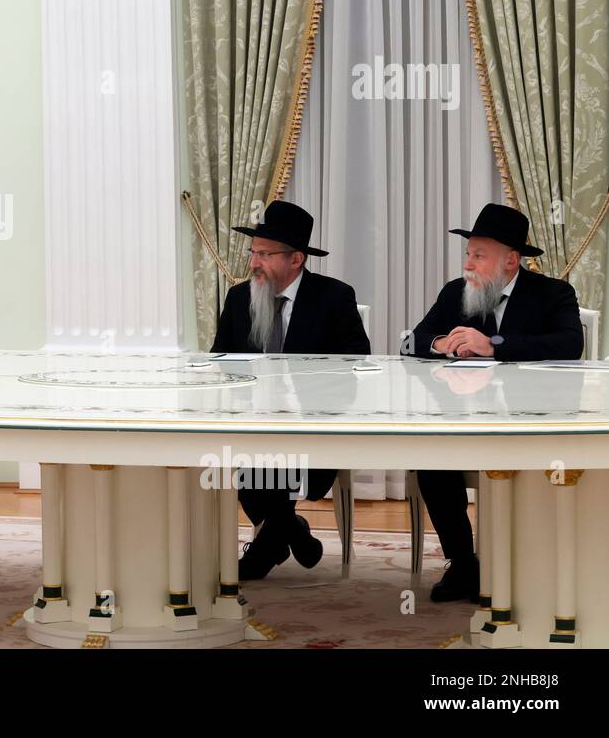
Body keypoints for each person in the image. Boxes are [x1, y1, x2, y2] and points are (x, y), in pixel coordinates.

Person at [406, 203, 583, 602]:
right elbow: (414, 340)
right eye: (468, 253)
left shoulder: (553, 293)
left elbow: (570, 344)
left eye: (478, 255)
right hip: (466, 416)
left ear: (510, 261)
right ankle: (463, 564)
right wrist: (440, 343)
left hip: (532, 418)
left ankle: (533, 562)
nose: (468, 263)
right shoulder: (456, 293)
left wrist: (494, 345)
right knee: (431, 460)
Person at [212, 200, 370, 580]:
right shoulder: (239, 299)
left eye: (265, 254)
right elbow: (219, 361)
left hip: (313, 422)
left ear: (296, 259)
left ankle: (271, 540)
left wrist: (299, 399)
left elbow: (356, 361)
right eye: (254, 252)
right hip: (253, 422)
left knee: (261, 459)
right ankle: (289, 528)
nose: (254, 263)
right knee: (240, 453)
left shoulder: (333, 297)